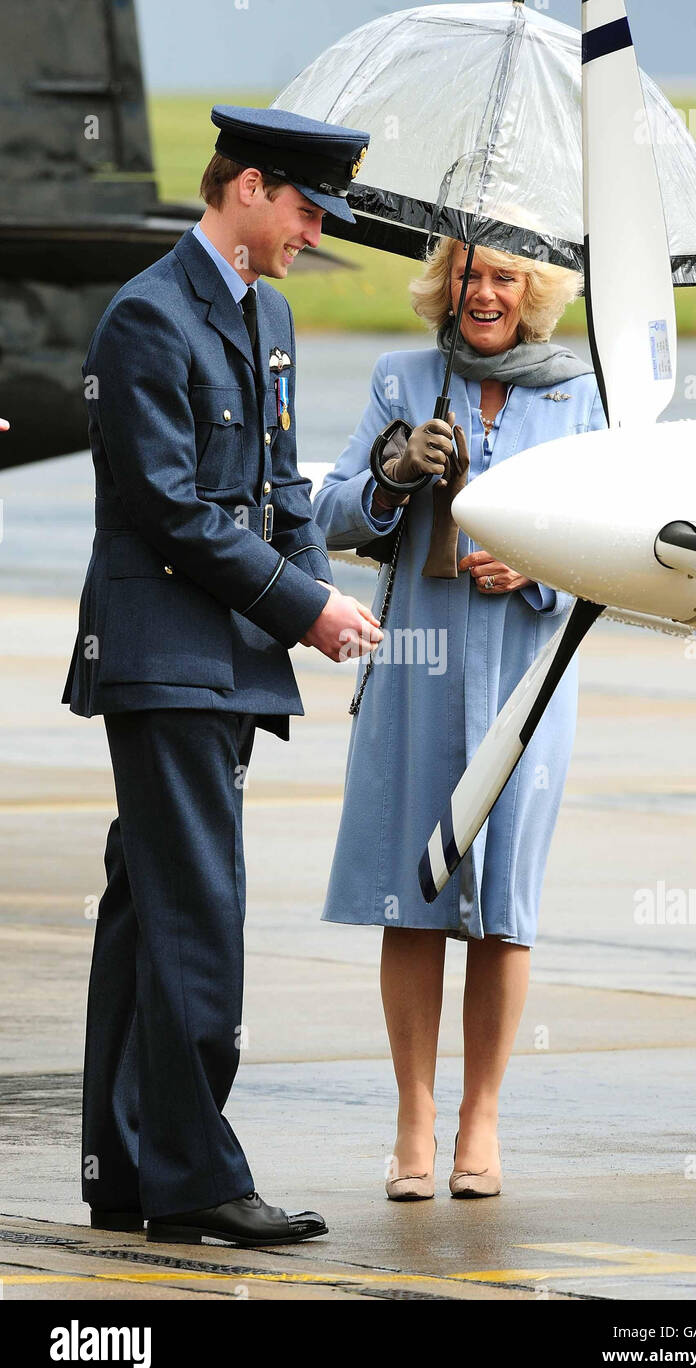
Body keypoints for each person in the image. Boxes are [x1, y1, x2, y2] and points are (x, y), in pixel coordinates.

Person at [62, 106, 382, 1247]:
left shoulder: (267, 311)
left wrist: (320, 598)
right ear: (247, 187)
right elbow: (171, 509)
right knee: (199, 909)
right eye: (303, 209)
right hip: (163, 659)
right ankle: (197, 1178)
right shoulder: (150, 316)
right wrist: (300, 606)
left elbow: (280, 488)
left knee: (150, 910)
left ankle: (123, 1161)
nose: (312, 233)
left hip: (226, 660)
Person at [313, 236, 607, 1200]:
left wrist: (539, 564)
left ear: (534, 294)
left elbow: (616, 545)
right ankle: (414, 1123)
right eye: (470, 275)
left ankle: (480, 1120)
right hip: (417, 667)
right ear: (446, 283)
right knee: (413, 897)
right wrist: (396, 473)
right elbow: (331, 516)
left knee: (502, 910)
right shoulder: (404, 377)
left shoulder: (579, 395)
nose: (483, 292)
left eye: (505, 278)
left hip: (528, 672)